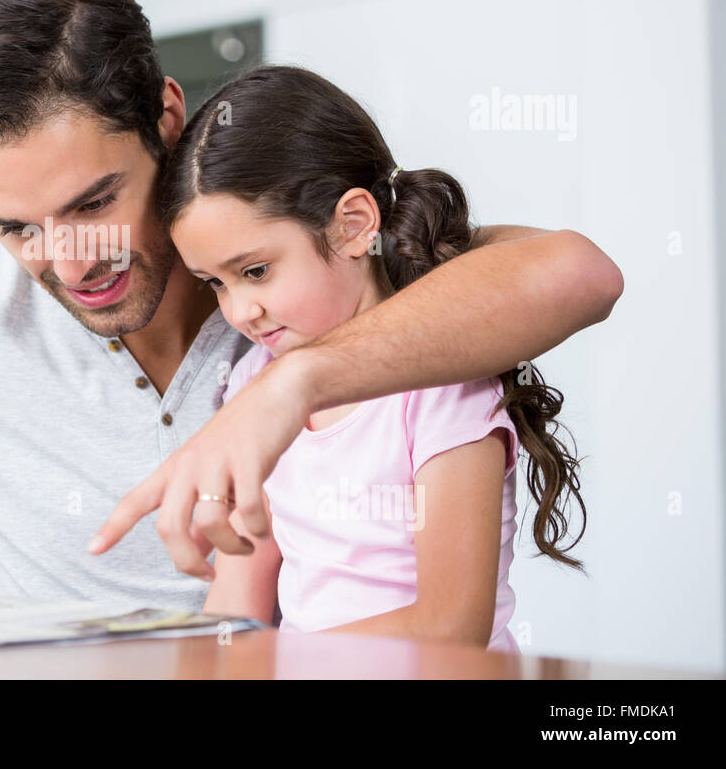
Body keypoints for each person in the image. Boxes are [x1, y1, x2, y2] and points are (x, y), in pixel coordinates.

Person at [0, 0, 622, 615]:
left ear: (167, 117)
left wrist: (299, 384)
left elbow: (579, 275)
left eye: (94, 201)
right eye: (15, 228)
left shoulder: (298, 276)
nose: (68, 259)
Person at [131, 64, 587, 649]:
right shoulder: (254, 381)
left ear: (353, 226)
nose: (240, 311)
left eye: (255, 271)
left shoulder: (442, 387)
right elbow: (236, 600)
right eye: (214, 283)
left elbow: (450, 630)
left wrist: (267, 665)